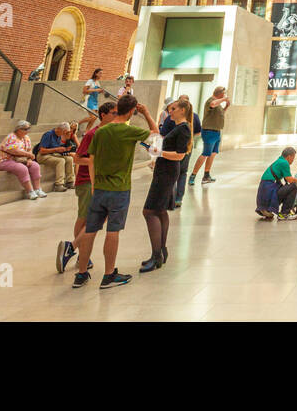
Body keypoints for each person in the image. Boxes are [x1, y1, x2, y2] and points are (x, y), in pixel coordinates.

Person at [71, 95, 156, 289]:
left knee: (90, 230)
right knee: (113, 231)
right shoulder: (130, 131)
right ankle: (108, 275)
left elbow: (91, 159)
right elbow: (157, 142)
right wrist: (147, 115)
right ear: (132, 111)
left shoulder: (100, 131)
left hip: (99, 188)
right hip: (119, 189)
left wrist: (93, 184)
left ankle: (81, 273)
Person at [57, 101, 116, 274]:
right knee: (85, 218)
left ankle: (80, 252)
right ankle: (75, 250)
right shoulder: (92, 134)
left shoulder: (108, 133)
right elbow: (78, 158)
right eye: (113, 113)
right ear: (103, 115)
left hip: (100, 180)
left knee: (96, 217)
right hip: (86, 181)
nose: (116, 116)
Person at [140, 98, 192, 272]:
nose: (170, 112)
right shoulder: (177, 127)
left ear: (183, 110)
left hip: (167, 171)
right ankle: (160, 251)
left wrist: (159, 152)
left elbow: (179, 155)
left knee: (149, 211)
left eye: (173, 109)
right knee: (160, 210)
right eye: (170, 109)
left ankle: (156, 255)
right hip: (165, 169)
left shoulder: (184, 129)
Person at [189, 86, 229, 185]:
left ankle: (206, 175)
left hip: (217, 131)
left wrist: (226, 106)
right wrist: (224, 99)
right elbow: (212, 104)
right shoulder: (210, 101)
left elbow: (220, 113)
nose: (225, 95)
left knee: (213, 153)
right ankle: (193, 175)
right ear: (220, 93)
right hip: (209, 131)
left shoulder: (218, 103)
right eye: (224, 93)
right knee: (205, 154)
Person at [256, 146, 297, 221]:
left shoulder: (279, 161)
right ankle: (284, 214)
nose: (293, 160)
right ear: (289, 156)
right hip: (269, 195)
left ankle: (271, 210)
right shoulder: (284, 163)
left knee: (288, 187)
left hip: (264, 199)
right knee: (293, 186)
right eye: (293, 158)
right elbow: (290, 180)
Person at [0, 120, 45, 199]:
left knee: (35, 166)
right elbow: (13, 150)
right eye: (25, 129)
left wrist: (29, 159)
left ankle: (37, 189)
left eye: (28, 129)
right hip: (6, 161)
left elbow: (29, 149)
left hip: (22, 160)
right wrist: (28, 155)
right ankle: (30, 191)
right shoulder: (11, 137)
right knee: (22, 169)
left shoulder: (26, 138)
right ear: (19, 129)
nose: (27, 131)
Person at [171, 97, 202, 208]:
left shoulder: (178, 121)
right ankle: (177, 198)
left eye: (174, 108)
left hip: (178, 148)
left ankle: (175, 198)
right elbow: (198, 132)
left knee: (177, 172)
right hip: (187, 145)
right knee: (181, 172)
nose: (171, 111)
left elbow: (162, 132)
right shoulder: (193, 117)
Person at [36, 122, 78, 192]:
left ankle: (70, 181)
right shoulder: (48, 134)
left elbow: (57, 149)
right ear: (60, 129)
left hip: (53, 154)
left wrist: (65, 150)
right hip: (43, 156)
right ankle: (58, 184)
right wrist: (56, 149)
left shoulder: (59, 136)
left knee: (69, 159)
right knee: (61, 161)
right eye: (65, 132)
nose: (65, 133)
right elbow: (41, 150)